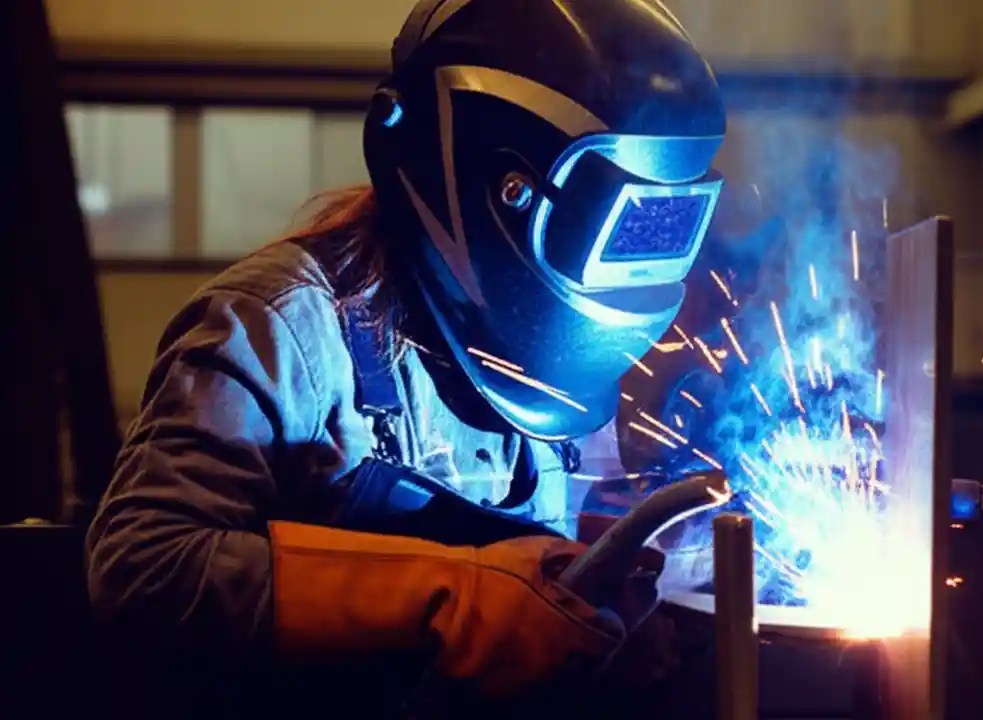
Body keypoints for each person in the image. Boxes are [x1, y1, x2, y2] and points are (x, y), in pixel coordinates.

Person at [84, 0, 726, 716]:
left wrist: (598, 628)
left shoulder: (556, 373)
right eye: (613, 222)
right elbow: (143, 564)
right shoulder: (283, 327)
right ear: (498, 185)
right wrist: (451, 594)